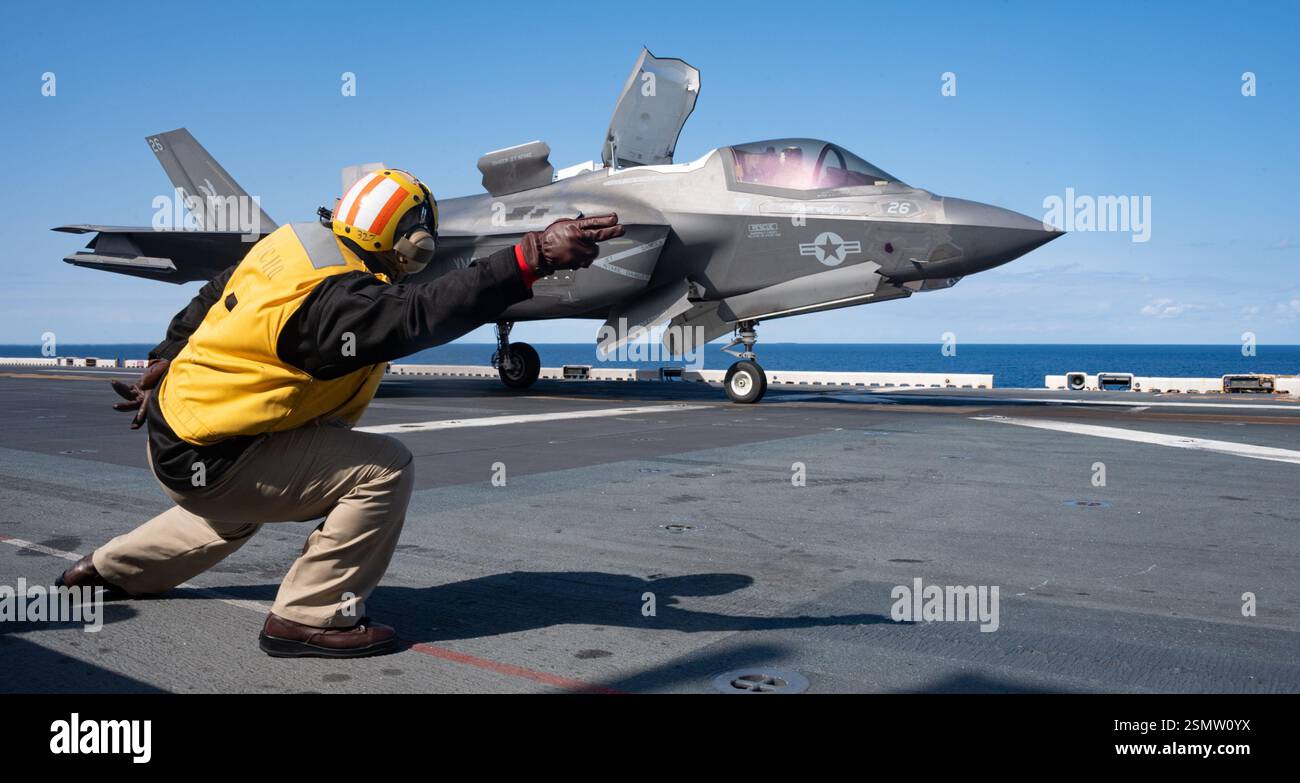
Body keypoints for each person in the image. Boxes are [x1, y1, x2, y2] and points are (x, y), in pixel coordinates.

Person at [56, 168, 624, 658]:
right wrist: (532, 257)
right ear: (410, 241)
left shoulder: (292, 243)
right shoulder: (337, 300)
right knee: (384, 468)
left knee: (235, 507)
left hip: (181, 436)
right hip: (220, 452)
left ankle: (107, 572)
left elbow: (212, 294)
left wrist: (163, 357)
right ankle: (308, 617)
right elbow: (420, 314)